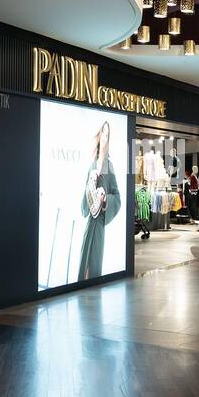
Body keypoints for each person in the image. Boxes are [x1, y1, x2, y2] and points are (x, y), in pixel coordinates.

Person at [77, 120, 122, 281]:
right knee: (84, 262)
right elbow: (84, 202)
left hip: (100, 222)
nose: (105, 137)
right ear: (99, 134)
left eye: (107, 134)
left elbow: (117, 197)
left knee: (95, 262)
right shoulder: (92, 166)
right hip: (90, 222)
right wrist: (91, 181)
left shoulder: (109, 166)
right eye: (103, 132)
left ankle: (92, 298)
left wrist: (104, 199)